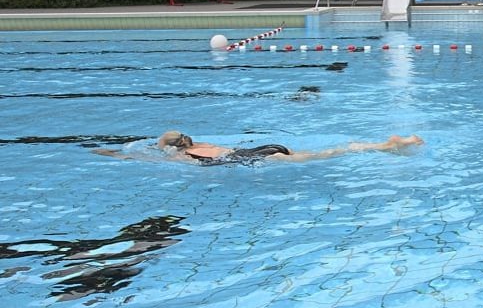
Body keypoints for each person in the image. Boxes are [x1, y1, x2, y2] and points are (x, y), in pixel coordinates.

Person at [93, 130, 424, 164]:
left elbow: (133, 156)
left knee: (323, 156)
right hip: (261, 147)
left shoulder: (180, 156)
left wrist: (107, 153)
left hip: (244, 158)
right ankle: (376, 145)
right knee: (320, 152)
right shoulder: (201, 143)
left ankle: (383, 147)